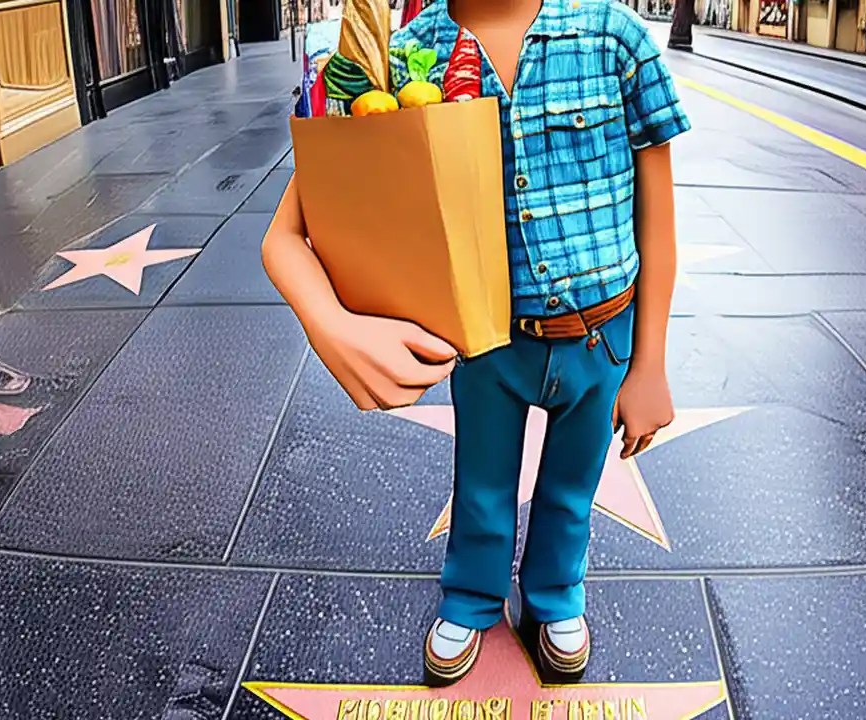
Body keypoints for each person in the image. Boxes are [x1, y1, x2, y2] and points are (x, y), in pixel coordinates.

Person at [263, 0, 689, 686]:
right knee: (483, 481)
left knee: (572, 486)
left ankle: (555, 596)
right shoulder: (406, 54)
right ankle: (471, 595)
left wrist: (652, 365)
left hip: (601, 335)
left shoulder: (616, 38)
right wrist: (333, 323)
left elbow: (658, 220)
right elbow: (297, 223)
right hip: (484, 336)